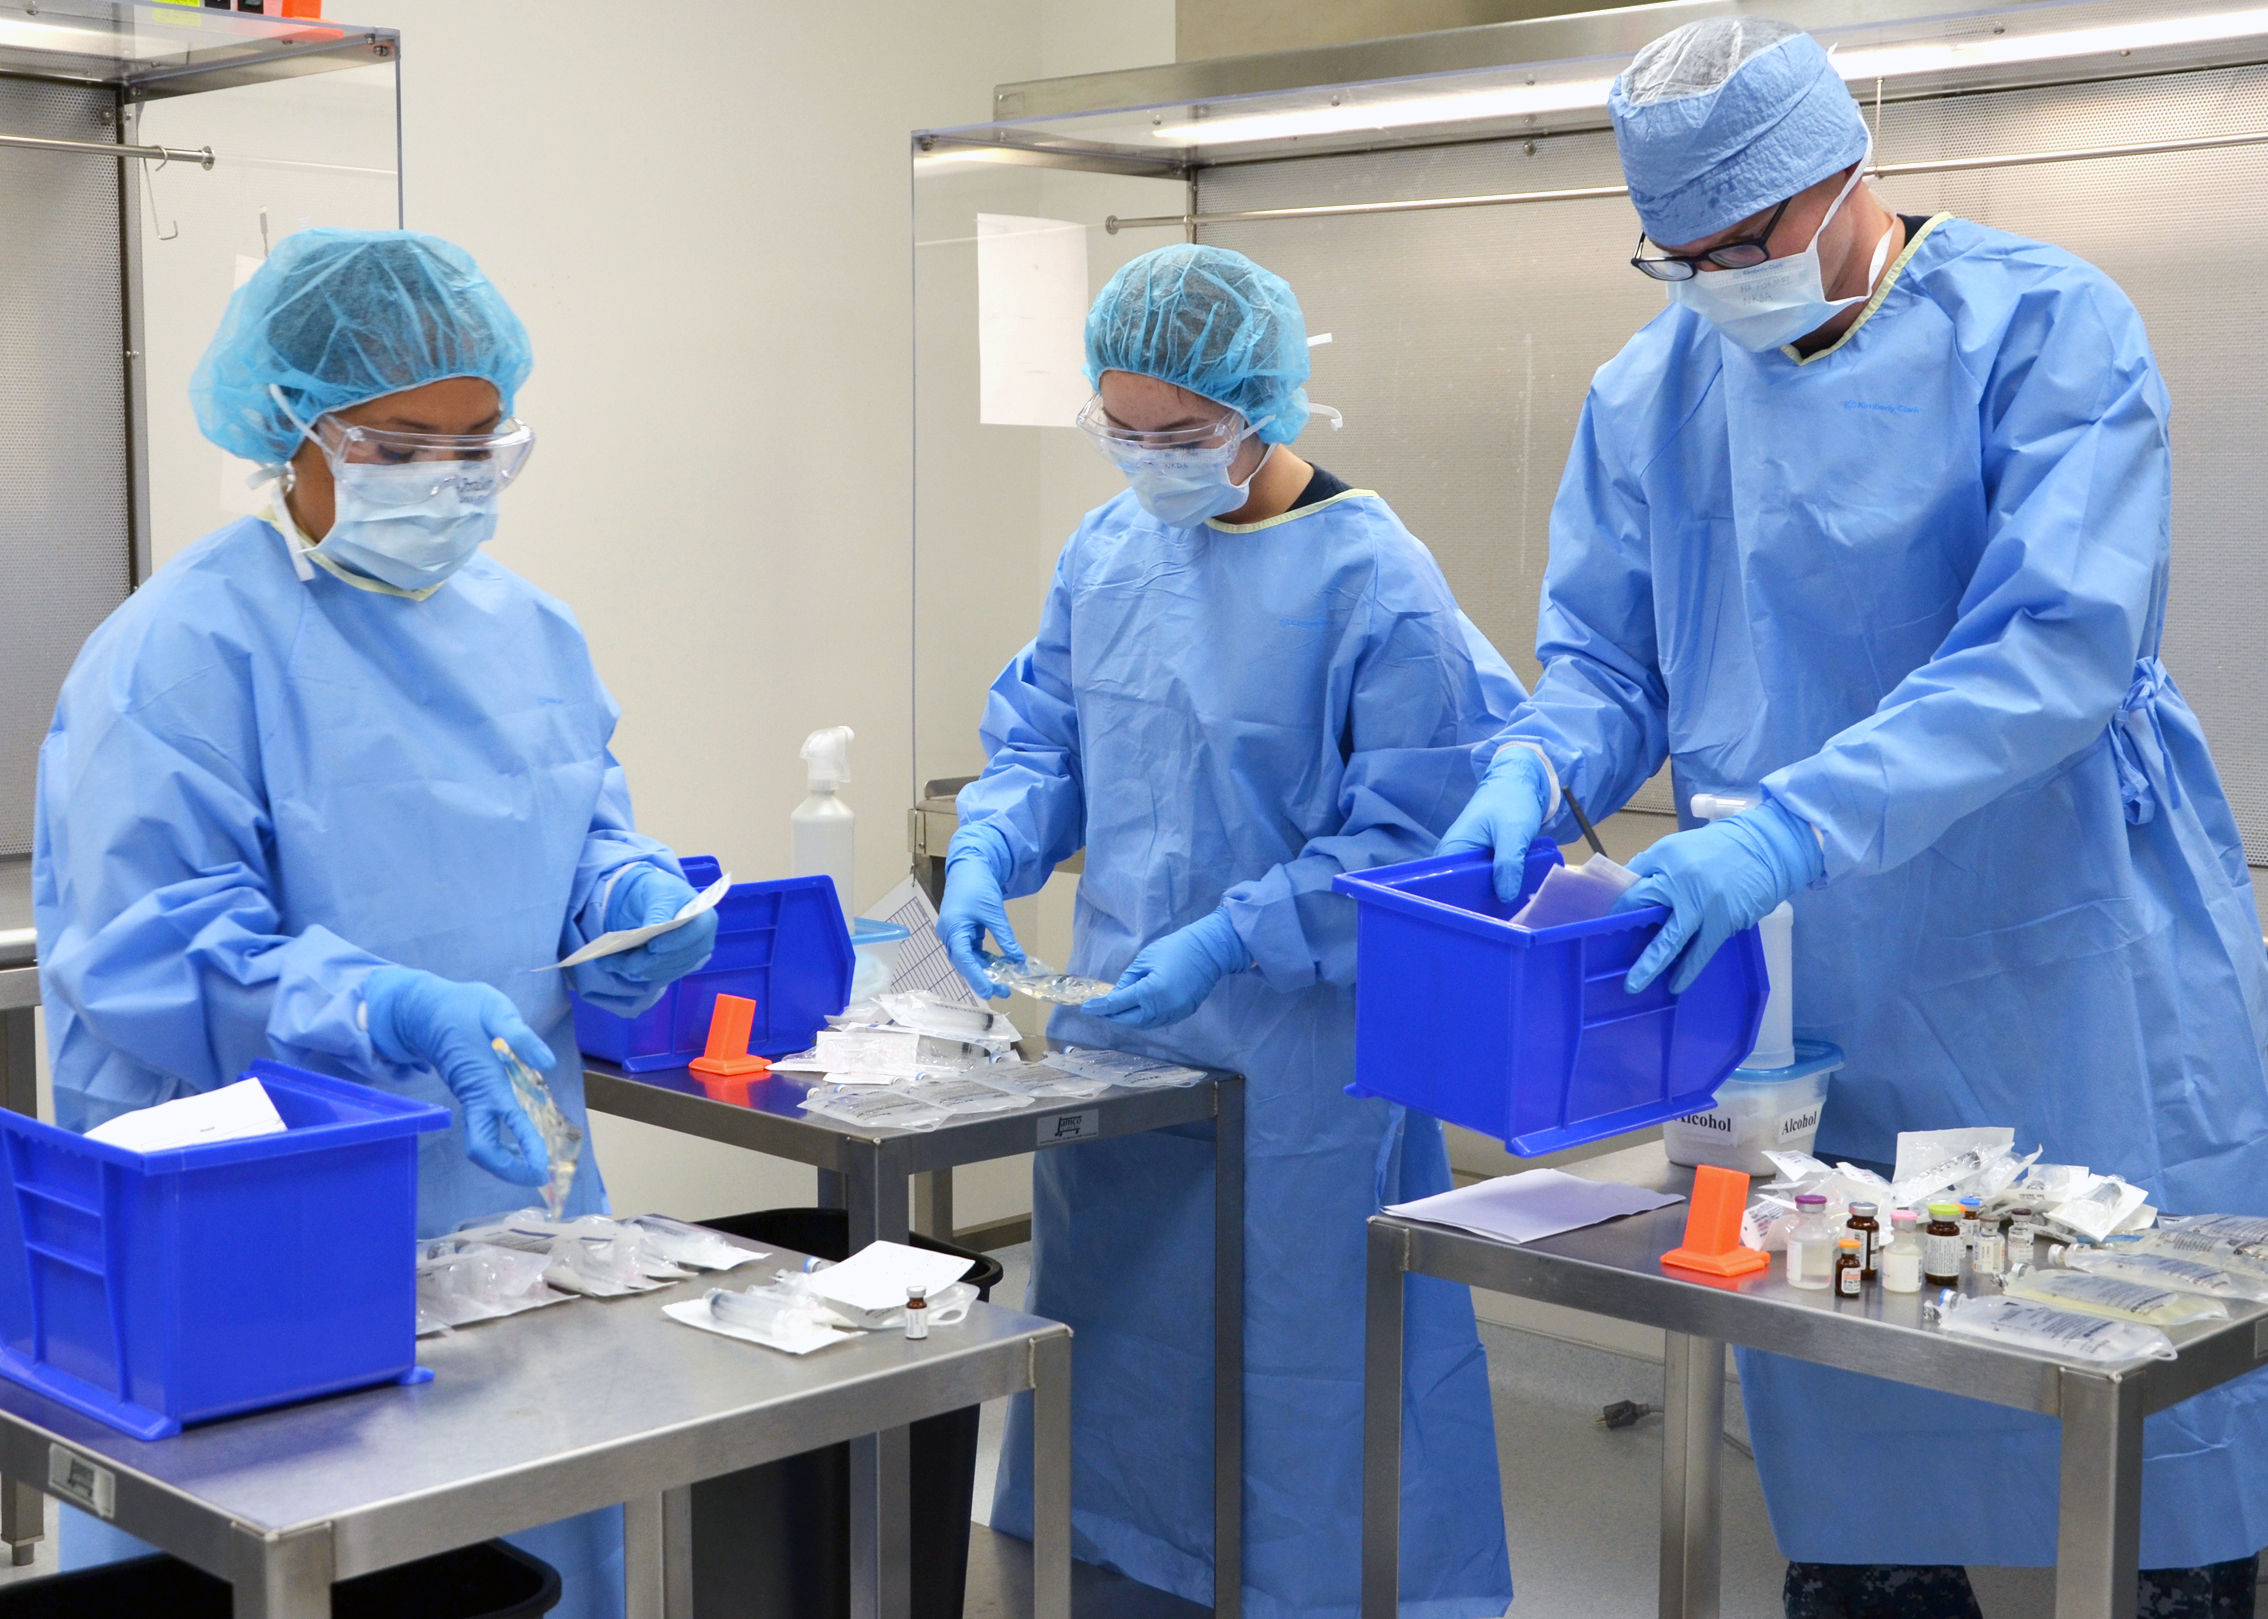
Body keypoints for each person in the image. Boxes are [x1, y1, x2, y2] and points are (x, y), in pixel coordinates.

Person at [1439, 17, 2268, 1618]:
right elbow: (1612, 662)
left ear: (1838, 177)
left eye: (1742, 243)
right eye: (1672, 257)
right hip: (1816, 997)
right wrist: (1539, 772)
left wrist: (1784, 827)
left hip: (2063, 943)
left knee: (2145, 1438)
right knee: (1848, 1418)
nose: (1713, 284)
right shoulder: (1654, 387)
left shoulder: (2045, 328)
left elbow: (2056, 646)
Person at [34, 228, 715, 1619]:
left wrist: (628, 898)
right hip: (250, 1222)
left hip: (506, 1203)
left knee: (511, 1557)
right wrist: (388, 1008)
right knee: (281, 1566)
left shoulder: (533, 634)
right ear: (290, 429)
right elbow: (151, 947)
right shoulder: (179, 654)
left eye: (482, 445)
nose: (449, 483)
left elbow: (577, 823)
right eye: (402, 447)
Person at [938, 244, 1518, 1619]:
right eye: (1120, 431)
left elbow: (1414, 835)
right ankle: (1121, 1560)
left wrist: (1232, 938)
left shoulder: (1377, 581)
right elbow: (1047, 740)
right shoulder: (1111, 546)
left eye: (1182, 434)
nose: (1150, 461)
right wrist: (988, 848)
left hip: (1297, 1064)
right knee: (1120, 1337)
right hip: (1119, 1055)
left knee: (1295, 1373)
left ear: (1265, 404)